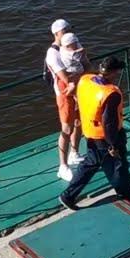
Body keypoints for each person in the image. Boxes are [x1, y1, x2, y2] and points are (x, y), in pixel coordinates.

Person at [58, 56, 130, 209]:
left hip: (90, 133)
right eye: (117, 71)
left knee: (89, 165)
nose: (118, 74)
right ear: (112, 73)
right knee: (119, 164)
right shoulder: (111, 93)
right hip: (106, 137)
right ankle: (128, 192)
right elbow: (109, 122)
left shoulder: (85, 80)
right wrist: (113, 145)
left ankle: (68, 195)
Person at [45, 19, 83, 182]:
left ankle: (74, 153)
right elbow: (64, 78)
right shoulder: (52, 53)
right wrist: (75, 80)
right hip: (64, 94)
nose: (68, 32)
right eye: (64, 30)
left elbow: (85, 62)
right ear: (56, 34)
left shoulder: (72, 43)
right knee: (66, 129)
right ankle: (63, 166)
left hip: (77, 89)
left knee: (79, 122)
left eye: (69, 29)